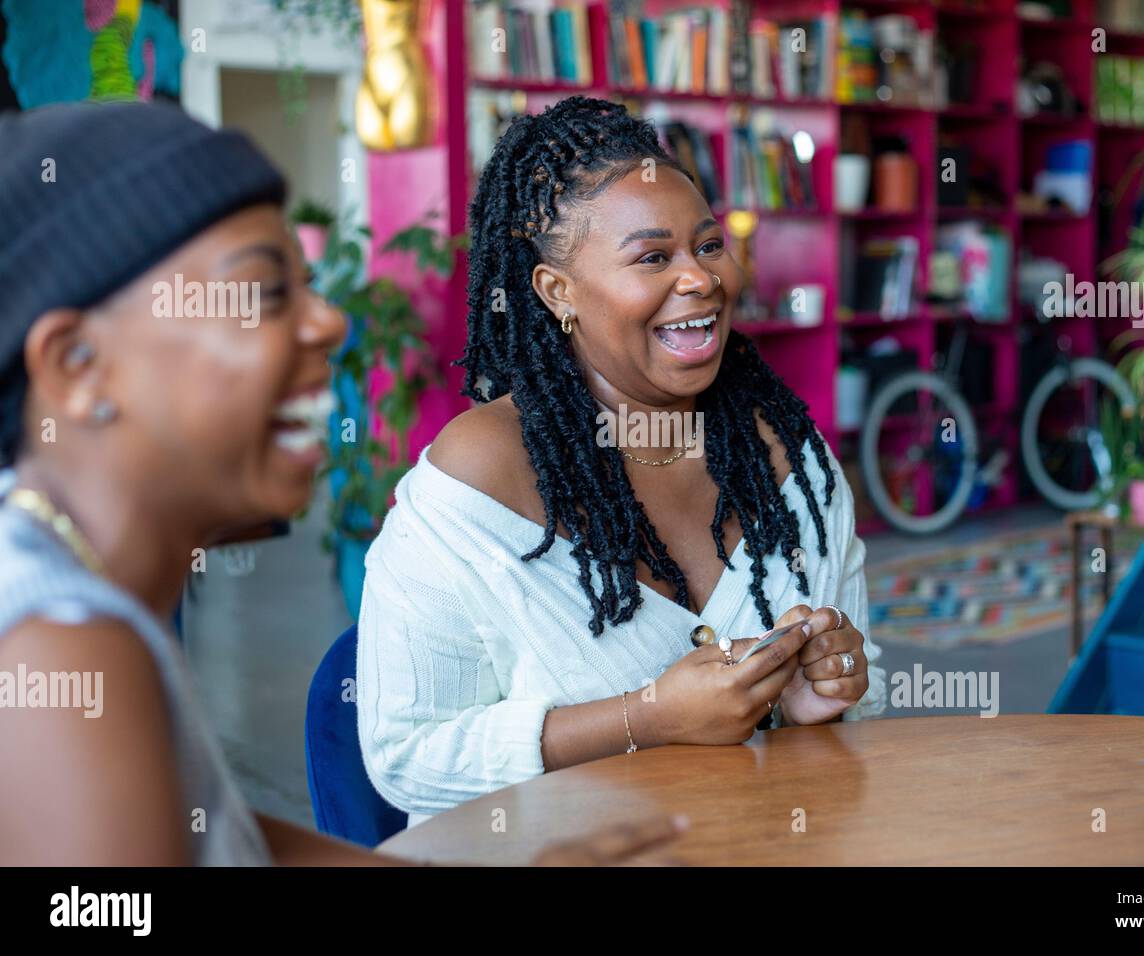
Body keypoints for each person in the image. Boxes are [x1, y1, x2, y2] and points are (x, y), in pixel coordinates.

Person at [0, 100, 683, 866]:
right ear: (76, 366)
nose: (326, 323)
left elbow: (229, 844)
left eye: (308, 285)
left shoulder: (86, 599)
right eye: (261, 293)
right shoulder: (59, 651)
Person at [358, 96, 887, 826]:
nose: (701, 280)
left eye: (708, 246)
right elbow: (407, 759)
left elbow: (866, 693)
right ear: (557, 293)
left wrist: (818, 700)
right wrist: (646, 718)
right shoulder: (474, 482)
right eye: (652, 258)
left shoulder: (792, 462)